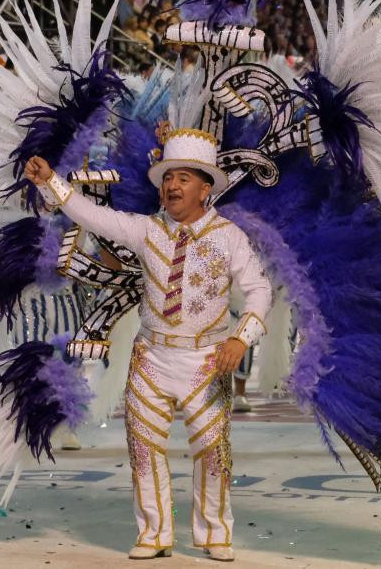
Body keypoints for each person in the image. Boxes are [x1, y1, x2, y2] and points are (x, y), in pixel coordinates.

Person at [25, 125, 272, 563]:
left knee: (213, 451)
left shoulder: (229, 237)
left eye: (183, 178)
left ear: (205, 187)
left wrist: (241, 337)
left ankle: (214, 532)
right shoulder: (144, 230)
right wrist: (50, 181)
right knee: (144, 447)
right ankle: (155, 532)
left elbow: (260, 291)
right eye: (167, 179)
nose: (171, 186)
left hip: (207, 360)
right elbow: (90, 215)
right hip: (152, 358)